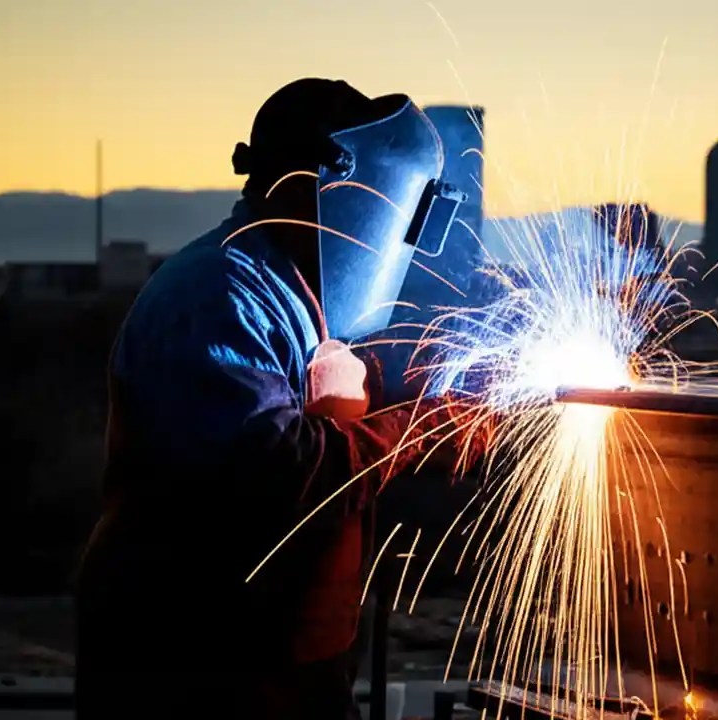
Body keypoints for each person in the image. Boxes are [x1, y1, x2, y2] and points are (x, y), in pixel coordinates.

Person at [75, 79, 475, 719]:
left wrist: (430, 376)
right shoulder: (218, 292)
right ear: (320, 184)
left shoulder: (299, 291)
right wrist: (426, 427)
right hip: (194, 669)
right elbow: (279, 468)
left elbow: (327, 384)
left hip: (290, 658)